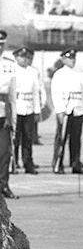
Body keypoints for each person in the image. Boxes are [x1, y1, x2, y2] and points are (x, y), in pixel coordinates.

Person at [51, 49, 83, 174]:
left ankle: (75, 163)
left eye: (73, 58)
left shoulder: (80, 74)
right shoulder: (59, 74)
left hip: (77, 109)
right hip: (65, 109)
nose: (72, 60)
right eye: (69, 58)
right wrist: (59, 110)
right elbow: (56, 94)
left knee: (76, 139)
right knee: (61, 138)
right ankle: (58, 163)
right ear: (63, 59)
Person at [11, 47, 41, 175]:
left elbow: (35, 92)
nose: (24, 59)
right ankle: (13, 162)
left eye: (26, 57)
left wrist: (37, 110)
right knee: (15, 138)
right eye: (21, 57)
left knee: (28, 138)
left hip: (29, 107)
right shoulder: (12, 71)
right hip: (16, 107)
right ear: (16, 57)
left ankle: (28, 163)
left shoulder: (32, 72)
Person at [0, 31, 16, 197]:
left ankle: (3, 185)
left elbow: (12, 94)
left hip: (4, 113)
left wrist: (13, 119)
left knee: (5, 152)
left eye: (1, 44)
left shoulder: (9, 65)